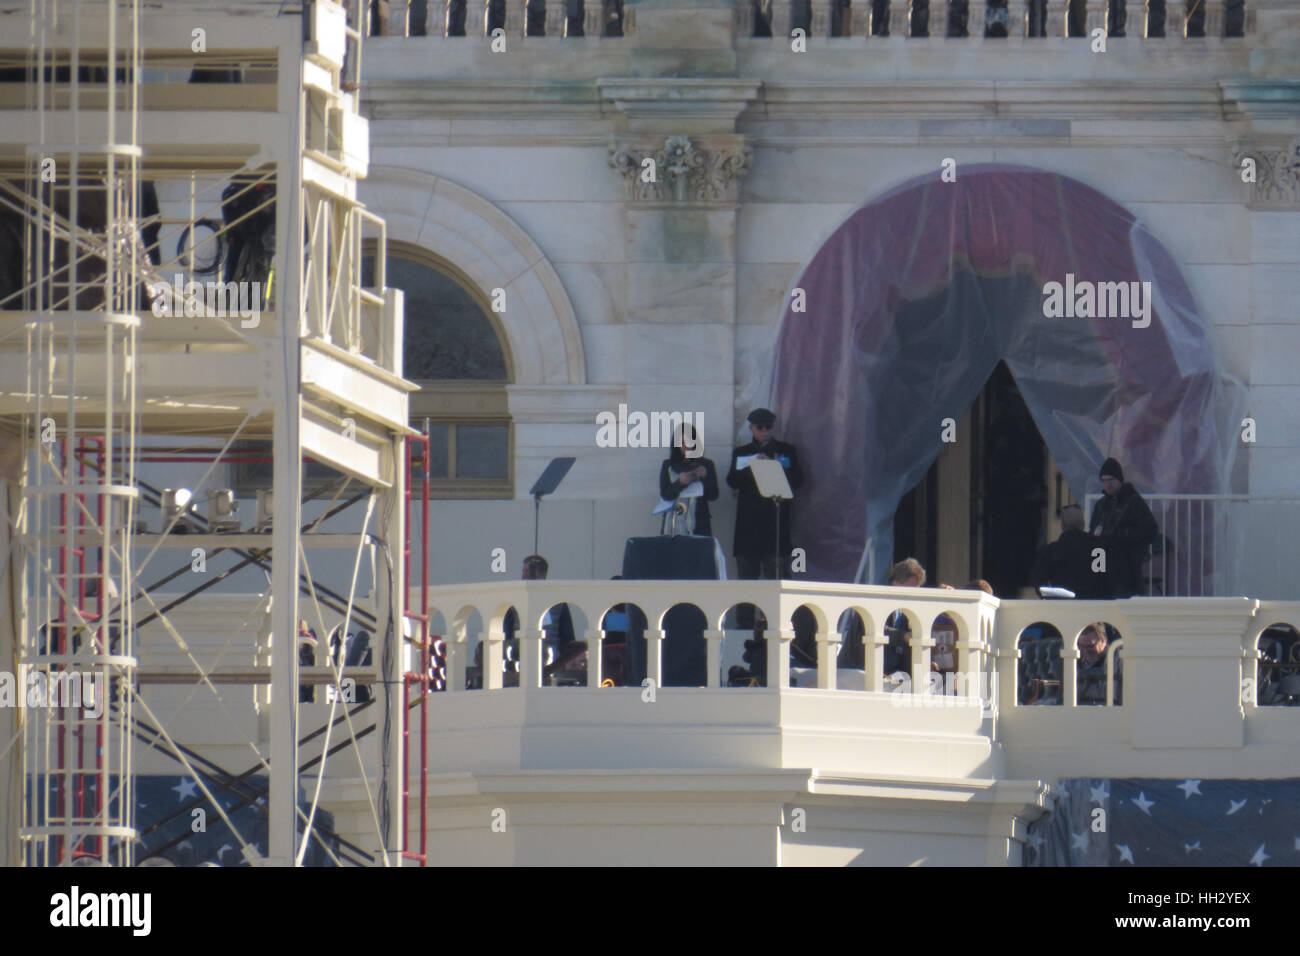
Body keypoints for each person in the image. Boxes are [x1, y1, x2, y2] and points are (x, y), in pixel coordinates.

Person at [726, 408, 803, 579]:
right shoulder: (742, 453)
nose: (765, 431)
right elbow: (732, 481)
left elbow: (798, 480)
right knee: (747, 587)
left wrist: (772, 467)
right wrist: (753, 468)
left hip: (775, 525)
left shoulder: (786, 451)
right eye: (760, 427)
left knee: (775, 584)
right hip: (748, 528)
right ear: (751, 428)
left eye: (768, 427)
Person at [1089, 458, 1158, 599]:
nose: (1107, 485)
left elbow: (1150, 529)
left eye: (1110, 480)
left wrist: (1122, 536)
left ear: (1119, 480)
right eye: (1104, 481)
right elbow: (1093, 534)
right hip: (1102, 560)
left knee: (1123, 600)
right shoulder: (1101, 505)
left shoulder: (1134, 502)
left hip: (1126, 564)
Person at [1032, 503, 1110, 599]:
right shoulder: (1098, 550)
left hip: (1061, 608)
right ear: (1083, 524)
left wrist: (1056, 598)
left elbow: (1040, 585)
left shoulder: (1051, 552)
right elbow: (1105, 582)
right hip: (1093, 608)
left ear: (1062, 526)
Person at [658, 423, 720, 536]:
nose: (686, 445)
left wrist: (705, 477)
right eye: (682, 442)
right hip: (673, 519)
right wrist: (680, 483)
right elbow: (665, 495)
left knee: (699, 552)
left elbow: (714, 495)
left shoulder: (706, 464)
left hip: (699, 521)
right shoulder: (668, 465)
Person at [882, 558, 925, 677]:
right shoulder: (878, 601)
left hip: (892, 677)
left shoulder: (905, 613)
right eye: (910, 588)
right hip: (858, 675)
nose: (913, 595)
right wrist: (903, 636)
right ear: (895, 582)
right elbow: (874, 630)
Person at [1077, 622, 1122, 705]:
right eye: (1081, 646)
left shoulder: (1119, 661)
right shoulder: (1073, 662)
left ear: (1103, 641)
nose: (1085, 651)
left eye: (1090, 646)